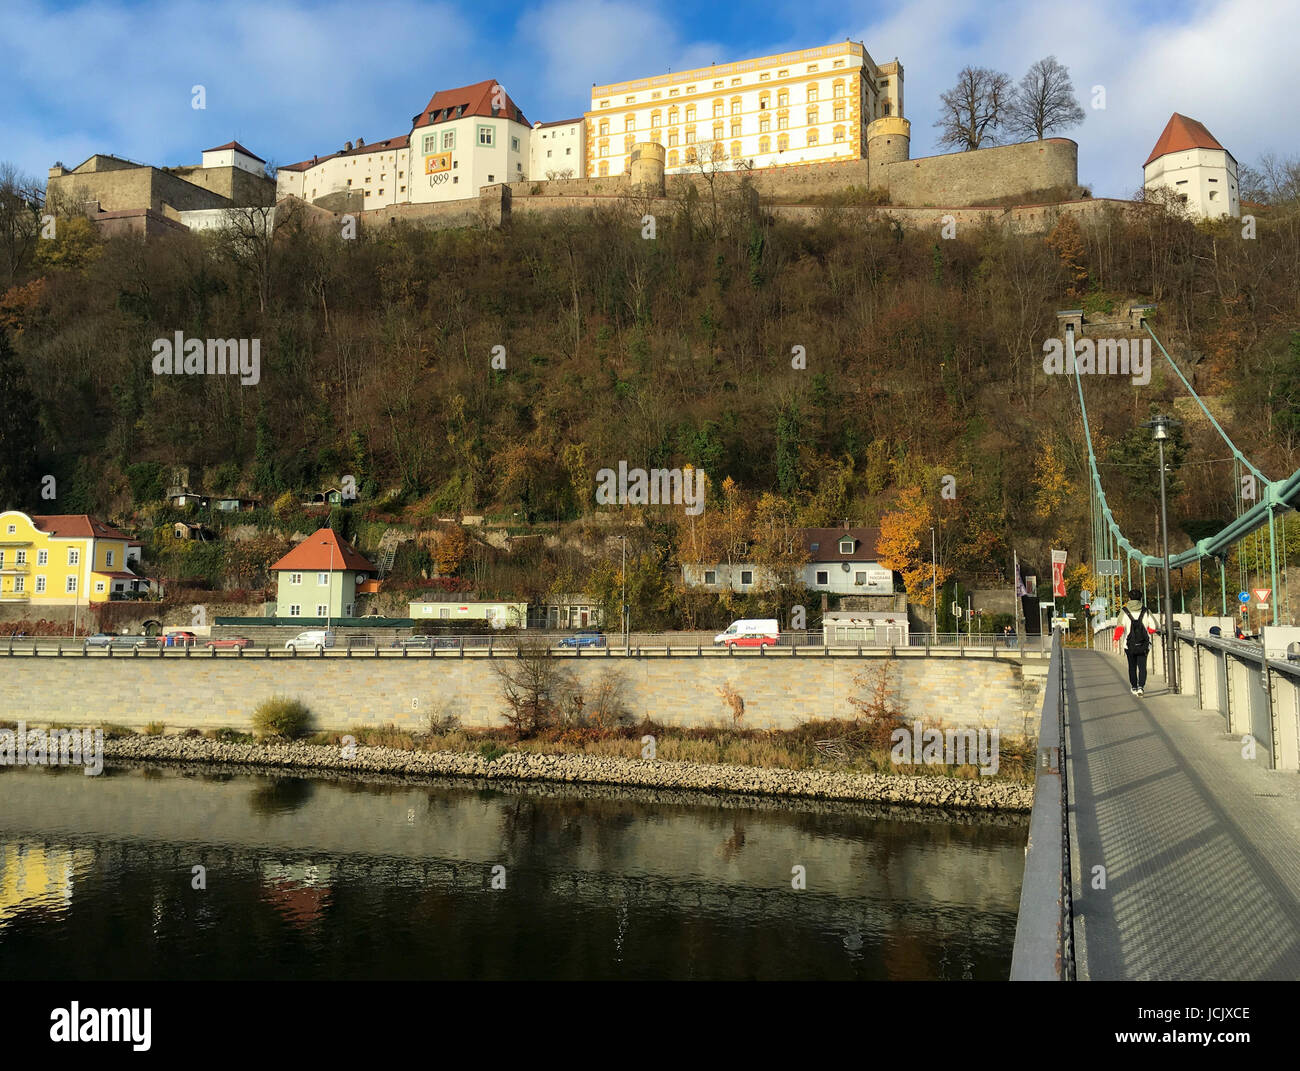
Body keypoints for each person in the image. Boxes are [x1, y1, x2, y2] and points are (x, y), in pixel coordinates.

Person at [1112, 589, 1155, 696]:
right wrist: (1146, 632)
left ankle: (1134, 687)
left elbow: (1120, 628)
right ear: (1141, 599)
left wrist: (1116, 639)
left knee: (1132, 666)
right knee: (1142, 666)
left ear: (1129, 598)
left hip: (1129, 644)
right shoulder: (1146, 611)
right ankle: (1141, 687)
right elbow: (1153, 627)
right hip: (1144, 644)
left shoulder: (1124, 611)